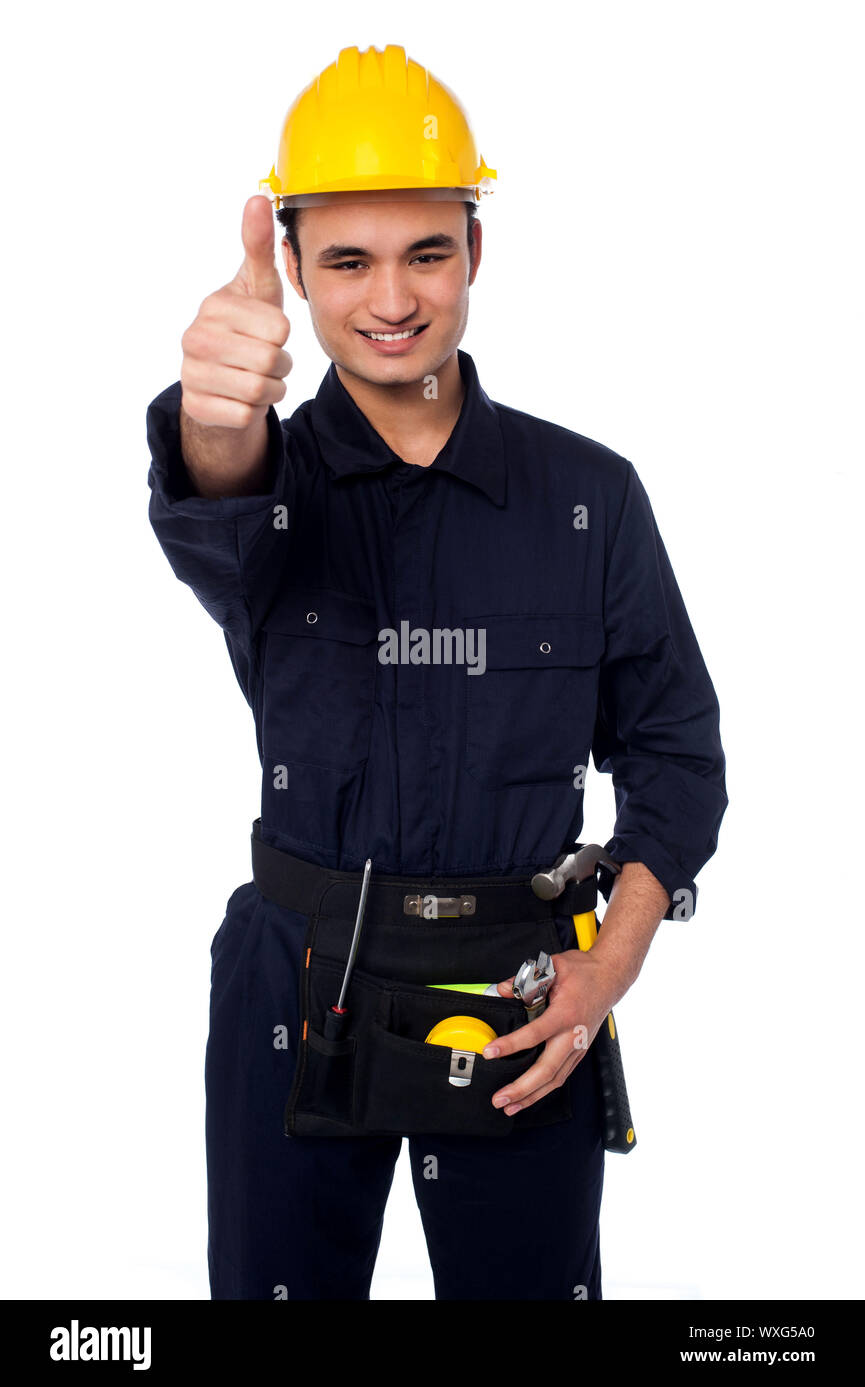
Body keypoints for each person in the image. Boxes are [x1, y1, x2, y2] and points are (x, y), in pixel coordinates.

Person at [145, 44, 727, 1301]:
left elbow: (676, 759)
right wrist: (211, 413)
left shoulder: (589, 497)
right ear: (291, 268)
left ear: (476, 249)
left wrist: (608, 965)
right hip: (298, 977)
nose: (390, 297)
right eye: (346, 260)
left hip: (523, 991)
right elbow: (218, 494)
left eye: (426, 251)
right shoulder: (273, 487)